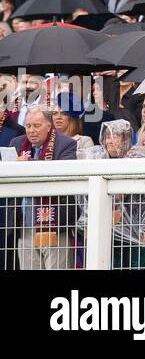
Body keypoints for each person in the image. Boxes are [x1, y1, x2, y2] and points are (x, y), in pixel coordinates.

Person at [11, 106, 77, 269]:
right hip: (24, 226)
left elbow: (63, 175)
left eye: (37, 125)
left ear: (49, 126)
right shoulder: (16, 143)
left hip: (54, 225)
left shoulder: (66, 144)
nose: (31, 130)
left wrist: (27, 165)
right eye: (28, 126)